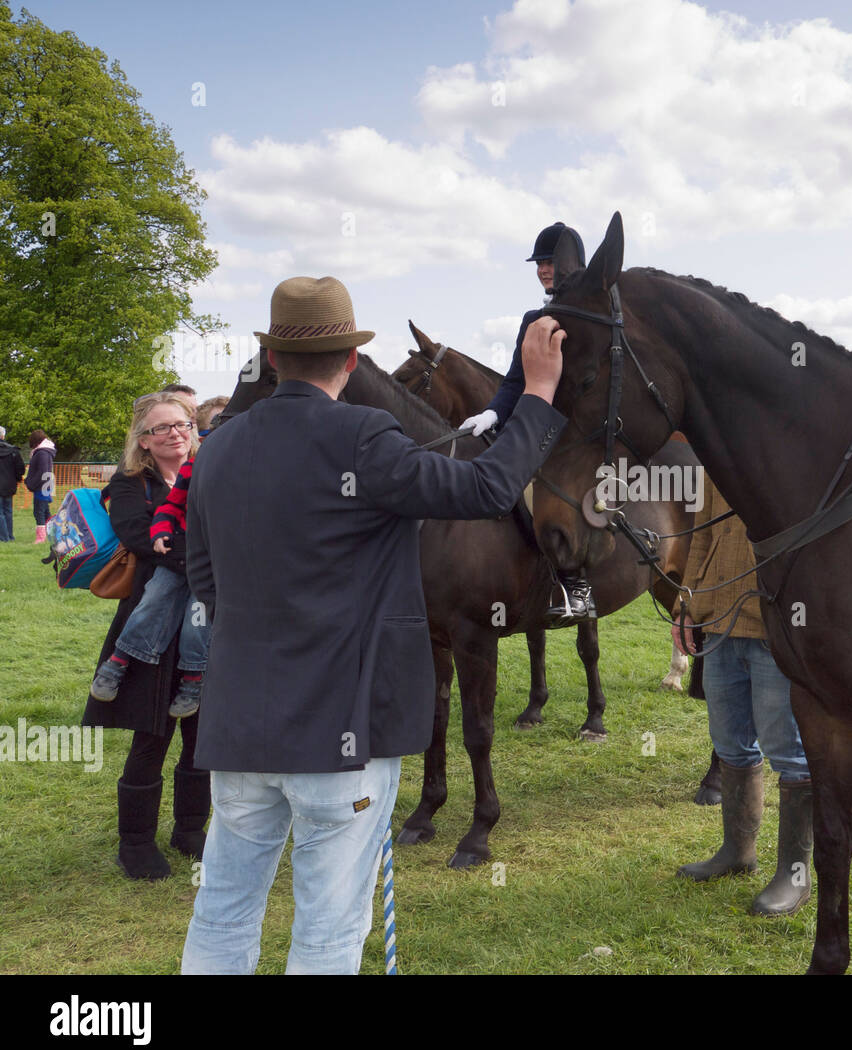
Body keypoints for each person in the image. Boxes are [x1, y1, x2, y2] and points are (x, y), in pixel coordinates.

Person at [181, 276, 567, 974]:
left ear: (271, 359)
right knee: (328, 929)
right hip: (343, 734)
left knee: (224, 908)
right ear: (352, 361)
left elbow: (206, 586)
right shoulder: (363, 436)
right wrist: (536, 395)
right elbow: (485, 488)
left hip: (239, 730)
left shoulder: (216, 449)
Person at [672, 471, 812, 917]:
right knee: (729, 744)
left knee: (787, 752)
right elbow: (702, 535)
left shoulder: (789, 439)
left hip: (774, 621)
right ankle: (737, 852)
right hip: (719, 620)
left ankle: (795, 877)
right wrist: (686, 606)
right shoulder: (714, 454)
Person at [82, 393, 209, 880]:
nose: (175, 433)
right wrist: (208, 556)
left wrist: (190, 550)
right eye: (161, 428)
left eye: (181, 424)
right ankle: (134, 842)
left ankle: (191, 829)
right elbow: (140, 537)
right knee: (151, 735)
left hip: (204, 617)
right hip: (151, 624)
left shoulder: (209, 470)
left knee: (202, 733)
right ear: (143, 440)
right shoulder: (130, 483)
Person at [459, 221, 596, 625]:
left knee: (560, 500)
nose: (543, 269)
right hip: (537, 427)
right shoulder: (533, 319)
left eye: (550, 261)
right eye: (539, 263)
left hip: (579, 433)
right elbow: (516, 382)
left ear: (572, 264)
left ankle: (578, 585)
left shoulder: (591, 319)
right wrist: (492, 413)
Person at [88, 445, 209, 719]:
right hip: (179, 555)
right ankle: (119, 659)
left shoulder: (241, 473)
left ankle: (193, 677)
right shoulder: (192, 470)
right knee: (153, 598)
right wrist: (162, 532)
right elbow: (171, 506)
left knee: (198, 619)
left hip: (211, 565)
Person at [24, 430, 55, 544]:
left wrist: (31, 483)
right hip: (46, 485)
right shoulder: (45, 452)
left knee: (39, 511)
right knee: (45, 511)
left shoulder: (42, 453)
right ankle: (53, 534)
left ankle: (41, 538)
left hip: (42, 487)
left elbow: (42, 472)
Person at [0, 426, 24, 542]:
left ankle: (4, 538)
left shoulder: (13, 450)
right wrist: (17, 478)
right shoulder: (13, 451)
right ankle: (10, 536)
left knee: (0, 512)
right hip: (10, 485)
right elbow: (21, 469)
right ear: (3, 436)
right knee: (8, 510)